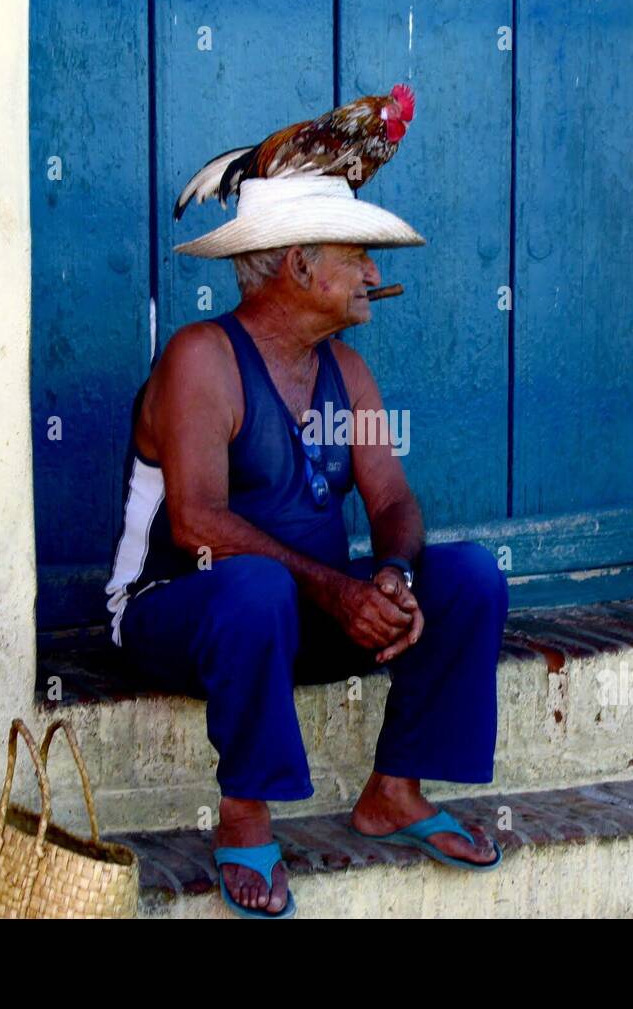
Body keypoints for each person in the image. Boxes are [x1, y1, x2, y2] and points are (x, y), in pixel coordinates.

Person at [105, 174, 508, 918]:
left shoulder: (347, 371)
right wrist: (336, 589)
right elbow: (197, 523)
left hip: (300, 613)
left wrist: (389, 574)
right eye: (357, 256)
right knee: (254, 586)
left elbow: (390, 498)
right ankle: (246, 815)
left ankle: (396, 789)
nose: (372, 275)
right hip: (178, 611)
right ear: (298, 265)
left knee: (469, 576)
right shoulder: (203, 357)